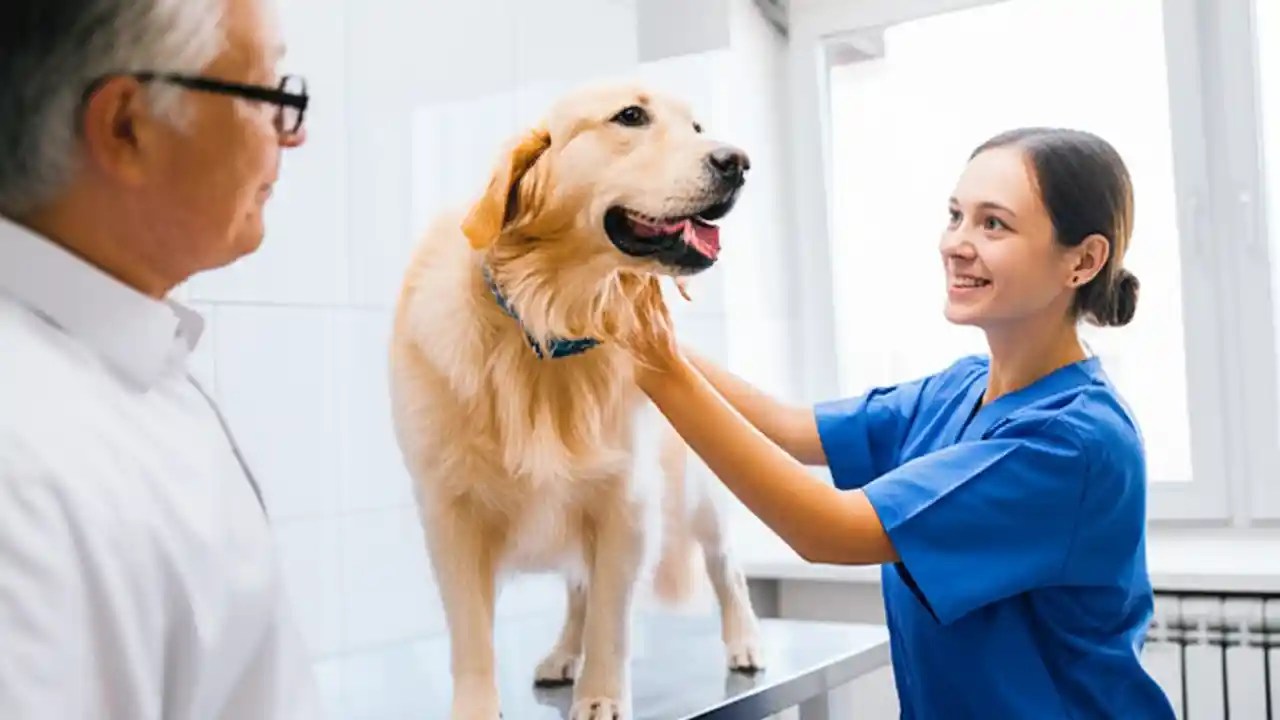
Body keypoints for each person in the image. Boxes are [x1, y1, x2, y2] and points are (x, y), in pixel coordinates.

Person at [630, 127, 1177, 718]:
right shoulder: (960, 388)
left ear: (1084, 260)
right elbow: (787, 429)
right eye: (955, 215)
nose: (957, 244)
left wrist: (655, 366)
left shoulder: (1072, 442)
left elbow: (828, 531)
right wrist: (642, 326)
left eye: (994, 224)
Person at [0, 0, 319, 717]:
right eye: (271, 98)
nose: (290, 138)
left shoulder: (127, 370)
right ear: (127, 127)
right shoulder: (21, 463)